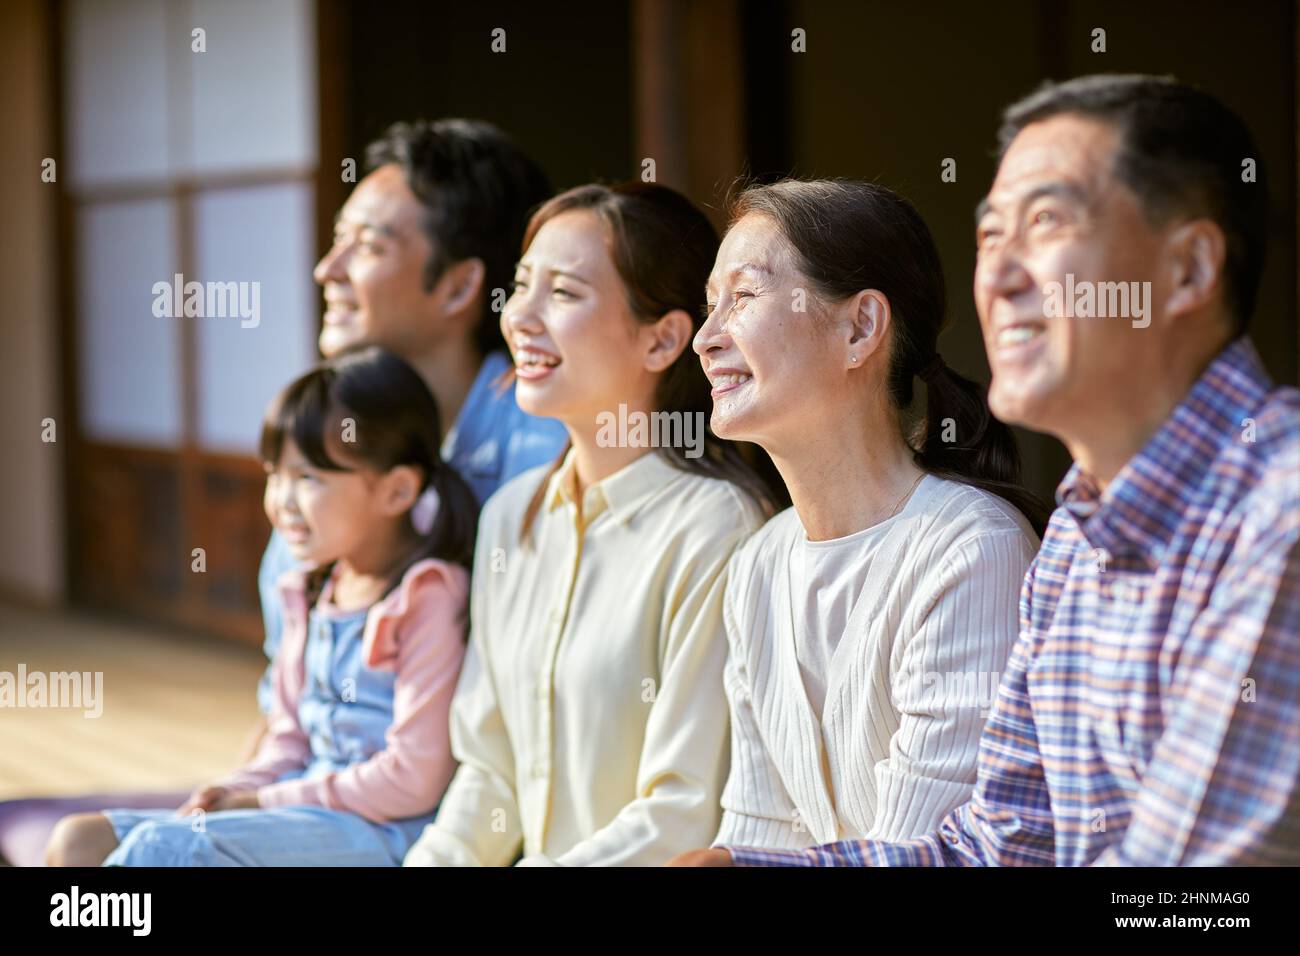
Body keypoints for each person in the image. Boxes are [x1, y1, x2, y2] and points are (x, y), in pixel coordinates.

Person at [694, 75, 1300, 866]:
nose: (1001, 275)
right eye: (989, 238)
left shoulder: (1277, 509)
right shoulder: (1077, 544)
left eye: (1045, 222)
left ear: (1186, 272)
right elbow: (997, 846)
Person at [0, 118, 566, 866]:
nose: (326, 268)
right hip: (315, 796)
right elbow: (287, 709)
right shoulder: (327, 463)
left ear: (461, 284)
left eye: (366, 245)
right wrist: (229, 795)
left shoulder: (544, 442)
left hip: (432, 816)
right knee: (83, 845)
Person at [403, 182, 783, 866]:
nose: (520, 316)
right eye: (521, 286)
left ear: (664, 338)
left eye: (565, 293)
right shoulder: (511, 516)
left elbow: (682, 813)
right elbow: (490, 773)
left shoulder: (718, 529)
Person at [665, 179, 1042, 863]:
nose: (706, 339)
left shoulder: (971, 551)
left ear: (860, 327)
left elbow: (925, 853)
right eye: (707, 306)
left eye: (743, 297)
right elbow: (759, 832)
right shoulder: (757, 562)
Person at [45, 347, 478, 866]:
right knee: (80, 841)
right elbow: (289, 739)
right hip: (297, 808)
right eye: (276, 475)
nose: (282, 500)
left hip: (379, 833)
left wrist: (258, 802)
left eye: (309, 478)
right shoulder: (310, 590)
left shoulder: (427, 596)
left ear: (397, 489)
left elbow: (414, 778)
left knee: (161, 852)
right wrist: (224, 793)